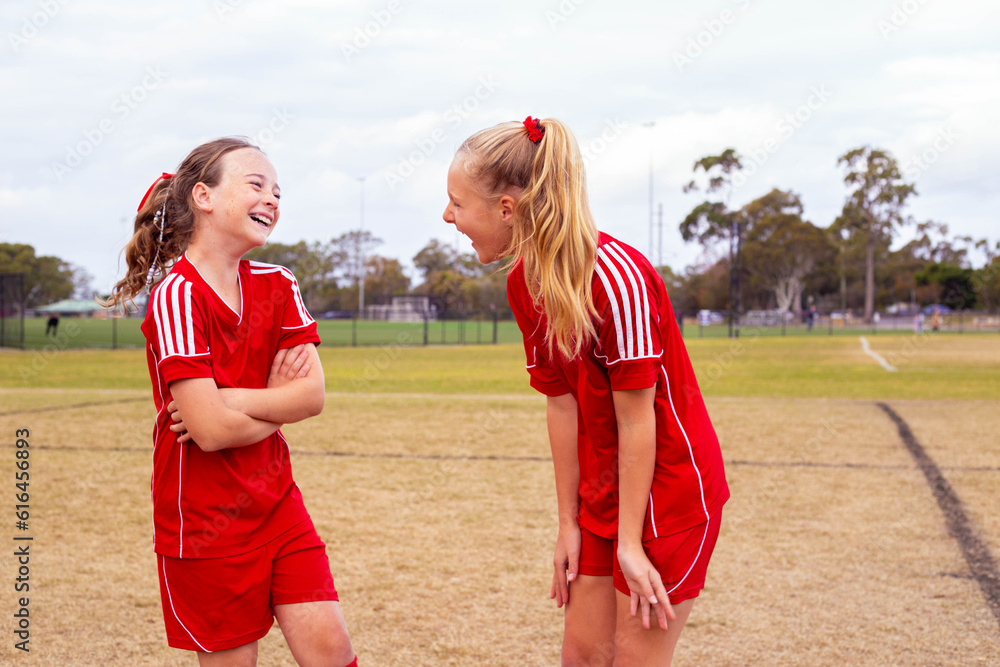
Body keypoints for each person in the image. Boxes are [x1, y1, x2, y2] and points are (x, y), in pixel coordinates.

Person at [443, 117, 729, 666]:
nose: (448, 216)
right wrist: (568, 525)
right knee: (581, 657)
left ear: (507, 208)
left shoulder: (616, 280)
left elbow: (638, 421)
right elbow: (561, 402)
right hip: (602, 492)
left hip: (667, 495)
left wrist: (629, 543)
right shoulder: (521, 281)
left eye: (457, 203)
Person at [104, 138, 356, 667]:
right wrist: (271, 401)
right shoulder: (176, 295)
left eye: (278, 192)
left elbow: (311, 397)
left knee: (333, 653)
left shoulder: (279, 284)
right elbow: (211, 432)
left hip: (278, 504)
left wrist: (234, 399)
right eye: (256, 185)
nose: (272, 199)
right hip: (203, 525)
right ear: (204, 197)